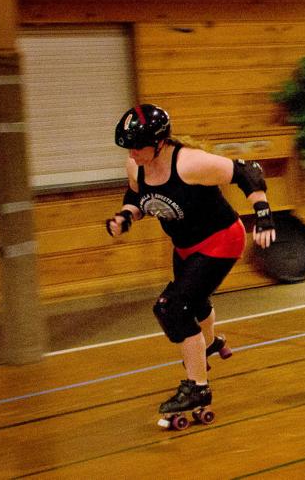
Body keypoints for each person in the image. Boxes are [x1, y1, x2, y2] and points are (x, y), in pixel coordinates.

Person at [106, 104, 276, 428]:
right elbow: (137, 195)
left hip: (221, 240)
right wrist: (126, 216)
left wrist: (264, 215)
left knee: (172, 308)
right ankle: (210, 343)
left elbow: (248, 171)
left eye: (138, 146)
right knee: (194, 302)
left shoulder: (189, 163)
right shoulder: (136, 165)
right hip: (184, 246)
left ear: (159, 141)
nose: (132, 152)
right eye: (128, 146)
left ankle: (198, 389)